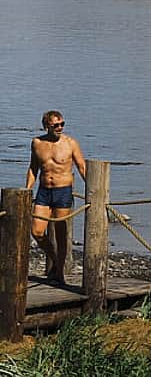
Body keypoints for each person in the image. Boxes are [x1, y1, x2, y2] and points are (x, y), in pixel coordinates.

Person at [26, 110, 86, 283]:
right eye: (55, 125)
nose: (60, 128)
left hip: (63, 191)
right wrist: (27, 190)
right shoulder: (37, 143)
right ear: (47, 126)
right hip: (44, 191)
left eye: (62, 124)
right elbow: (33, 168)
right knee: (36, 231)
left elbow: (82, 166)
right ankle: (54, 257)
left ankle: (59, 271)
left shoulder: (70, 143)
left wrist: (92, 190)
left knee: (61, 233)